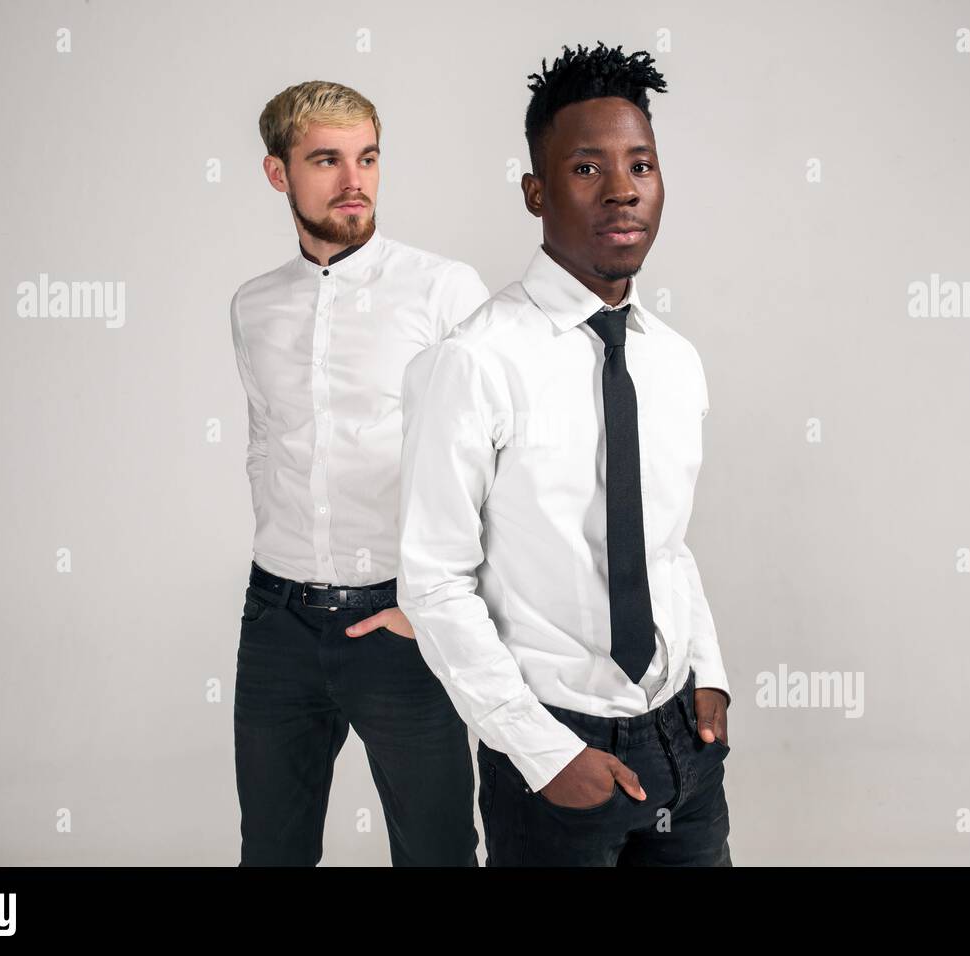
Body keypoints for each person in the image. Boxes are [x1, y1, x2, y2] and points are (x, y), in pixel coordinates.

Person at [397, 43, 734, 866]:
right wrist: (544, 755)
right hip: (555, 753)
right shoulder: (474, 362)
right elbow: (434, 581)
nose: (622, 188)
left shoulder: (674, 361)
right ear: (536, 192)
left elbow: (665, 544)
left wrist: (710, 675)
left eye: (641, 164)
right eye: (587, 168)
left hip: (683, 746)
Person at [230, 80, 488, 866]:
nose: (355, 180)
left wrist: (434, 604)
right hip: (277, 624)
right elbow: (266, 443)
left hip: (399, 625)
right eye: (327, 160)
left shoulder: (444, 291)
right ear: (279, 174)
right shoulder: (254, 305)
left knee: (438, 852)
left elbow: (491, 465)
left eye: (368, 158)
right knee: (271, 853)